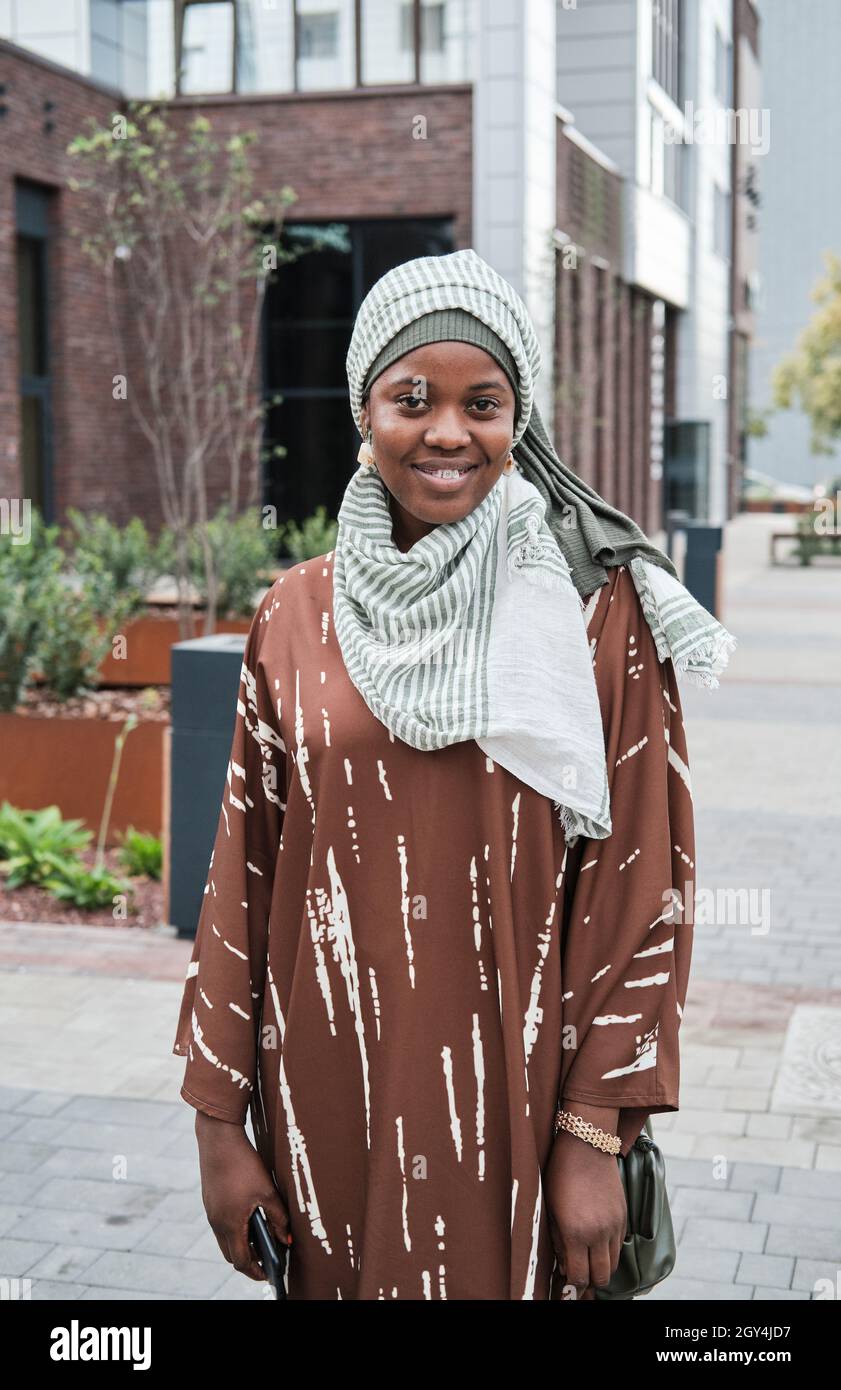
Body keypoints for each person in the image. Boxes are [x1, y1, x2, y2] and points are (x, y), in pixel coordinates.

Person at [172, 248, 736, 1301]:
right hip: (327, 1102)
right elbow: (240, 874)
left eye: (481, 401)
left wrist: (592, 1131)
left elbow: (641, 883)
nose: (445, 431)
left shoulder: (589, 609)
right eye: (410, 398)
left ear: (515, 418)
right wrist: (218, 1120)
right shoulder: (295, 614)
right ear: (363, 410)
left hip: (516, 1119)